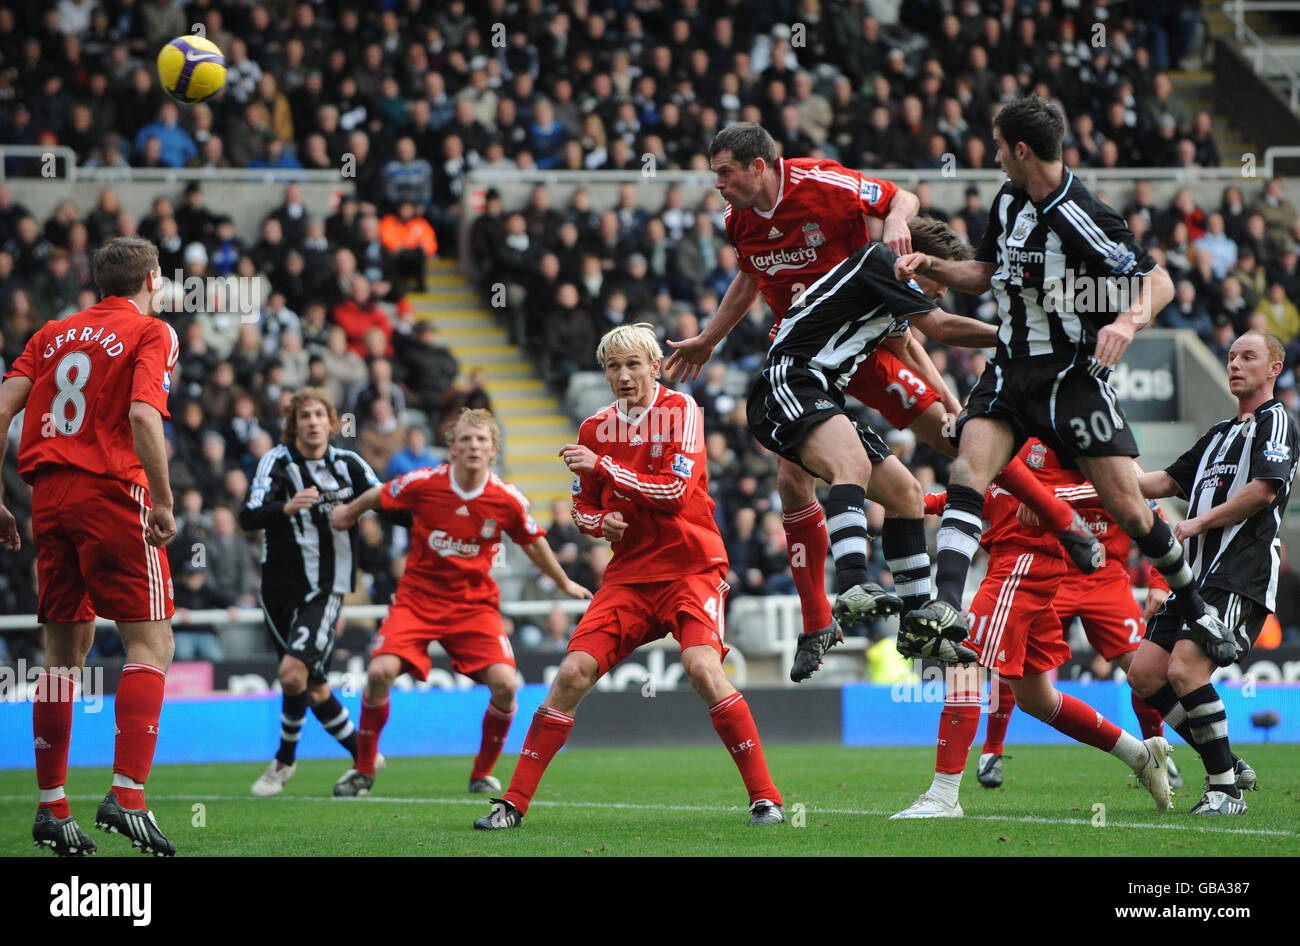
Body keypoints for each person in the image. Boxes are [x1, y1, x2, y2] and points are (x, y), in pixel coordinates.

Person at [664, 122, 1100, 679]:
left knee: (937, 460)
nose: (717, 184)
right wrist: (710, 337)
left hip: (864, 339)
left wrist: (956, 406)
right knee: (797, 477)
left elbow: (902, 214)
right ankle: (825, 614)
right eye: (715, 173)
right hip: (802, 357)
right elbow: (754, 278)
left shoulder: (822, 184)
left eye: (724, 171)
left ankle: (1043, 533)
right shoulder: (740, 223)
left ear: (758, 165)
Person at [893, 95, 1231, 663]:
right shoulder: (1008, 201)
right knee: (968, 466)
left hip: (1072, 379)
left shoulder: (1086, 217)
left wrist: (1126, 320)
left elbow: (1161, 282)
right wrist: (931, 267)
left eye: (999, 146)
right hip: (1010, 369)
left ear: (1021, 149)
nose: (996, 156)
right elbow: (985, 273)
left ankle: (1197, 608)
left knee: (1127, 509)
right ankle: (945, 604)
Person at [474, 324, 786, 831]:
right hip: (630, 577)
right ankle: (512, 804)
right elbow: (582, 508)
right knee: (572, 673)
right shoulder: (592, 429)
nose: (623, 375)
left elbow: (676, 493)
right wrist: (602, 522)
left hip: (691, 567)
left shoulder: (682, 412)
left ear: (655, 366)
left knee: (703, 669)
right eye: (613, 367)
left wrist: (607, 469)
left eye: (633, 364)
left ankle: (766, 799)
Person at [0, 236, 180, 856]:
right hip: (110, 492)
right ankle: (127, 795)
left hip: (47, 498)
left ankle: (52, 806)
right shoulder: (152, 331)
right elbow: (142, 417)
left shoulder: (53, 331)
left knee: (61, 657)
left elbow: (1, 409)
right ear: (151, 278)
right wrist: (162, 499)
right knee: (151, 640)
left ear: (98, 278)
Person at [891, 440, 1174, 819]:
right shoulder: (1012, 437)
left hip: (1025, 563)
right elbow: (990, 497)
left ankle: (944, 795)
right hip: (1015, 565)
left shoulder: (1062, 427)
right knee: (1037, 698)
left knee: (964, 663)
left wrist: (1045, 497)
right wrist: (919, 503)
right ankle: (1140, 755)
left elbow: (1128, 483)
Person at [330, 409, 590, 796]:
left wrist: (564, 581)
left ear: (493, 450)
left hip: (474, 606)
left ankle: (481, 773)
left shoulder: (506, 498)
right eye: (465, 439)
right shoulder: (424, 483)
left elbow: (533, 541)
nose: (473, 446)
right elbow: (380, 494)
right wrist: (350, 511)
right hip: (417, 601)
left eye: (481, 440)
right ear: (452, 449)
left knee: (505, 684)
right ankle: (364, 769)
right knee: (379, 673)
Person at [1126, 330, 1295, 815]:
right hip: (1193, 577)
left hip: (1238, 572)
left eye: (1249, 356)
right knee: (1145, 676)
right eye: (1231, 356)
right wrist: (1101, 469)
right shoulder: (1220, 433)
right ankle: (1225, 761)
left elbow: (1265, 489)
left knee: (1184, 668)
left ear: (1274, 369)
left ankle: (1225, 790)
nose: (1236, 364)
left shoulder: (1276, 422)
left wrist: (1198, 520)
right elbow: (1159, 482)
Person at [973, 441, 1182, 790]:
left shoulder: (1118, 464)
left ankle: (1159, 754)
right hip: (1052, 573)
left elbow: (1156, 521)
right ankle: (992, 751)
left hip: (1108, 577)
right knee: (1012, 660)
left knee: (1144, 670)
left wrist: (1159, 582)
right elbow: (999, 492)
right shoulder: (1032, 449)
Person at [240, 387, 400, 797]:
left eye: (319, 415)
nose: (312, 422)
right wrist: (286, 508)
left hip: (326, 587)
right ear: (293, 425)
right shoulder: (275, 462)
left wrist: (430, 521)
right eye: (304, 416)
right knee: (310, 685)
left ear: (331, 422)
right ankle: (363, 752)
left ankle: (284, 761)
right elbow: (247, 516)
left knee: (292, 674)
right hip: (277, 590)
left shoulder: (349, 464)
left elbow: (387, 501)